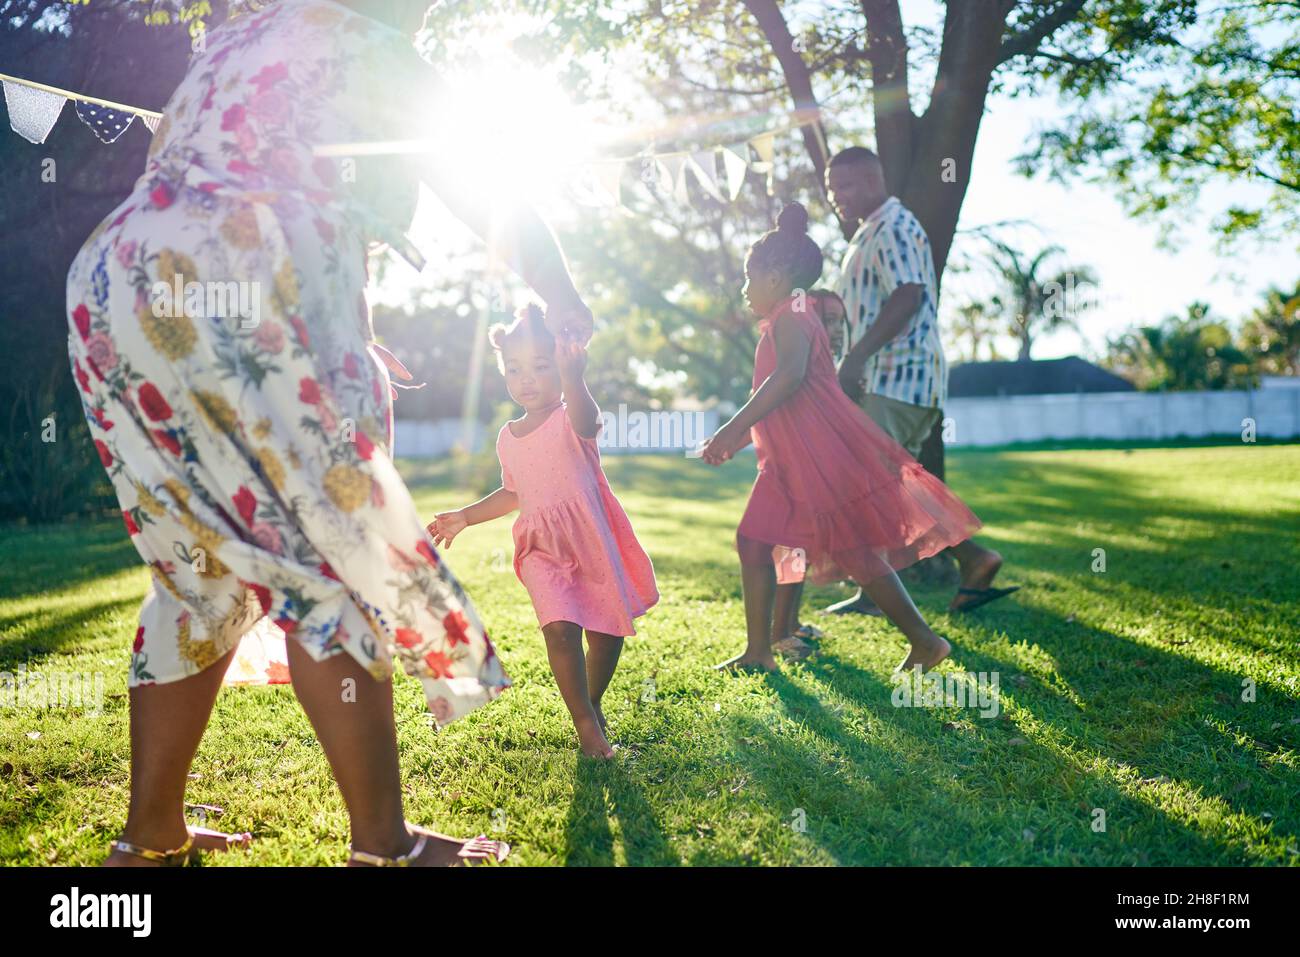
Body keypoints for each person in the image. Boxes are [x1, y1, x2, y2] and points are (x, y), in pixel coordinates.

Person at [67, 0, 594, 867]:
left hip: (119, 288)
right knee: (335, 557)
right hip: (252, 277)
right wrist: (561, 292)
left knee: (196, 566)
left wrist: (331, 316)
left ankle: (149, 836)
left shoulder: (239, 42)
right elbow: (483, 186)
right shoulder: (371, 46)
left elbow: (200, 180)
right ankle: (386, 847)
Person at [699, 202, 981, 673]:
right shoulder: (790, 317)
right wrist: (738, 438)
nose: (745, 290)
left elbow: (787, 380)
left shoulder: (792, 315)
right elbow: (780, 398)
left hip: (813, 460)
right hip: (788, 463)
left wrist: (729, 429)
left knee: (851, 552)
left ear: (773, 276)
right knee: (761, 544)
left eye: (749, 278)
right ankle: (761, 651)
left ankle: (923, 641)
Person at [428, 306, 658, 759]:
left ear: (563, 365)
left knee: (607, 634)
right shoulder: (508, 436)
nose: (526, 379)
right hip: (541, 548)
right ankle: (585, 725)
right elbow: (514, 491)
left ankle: (591, 701)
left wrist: (576, 377)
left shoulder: (572, 417)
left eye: (540, 366)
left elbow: (589, 422)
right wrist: (467, 516)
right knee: (559, 630)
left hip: (589, 537)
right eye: (514, 369)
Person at [824, 146, 1017, 615]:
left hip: (897, 377)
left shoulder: (894, 226)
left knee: (871, 483)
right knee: (885, 487)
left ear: (872, 180)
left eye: (845, 186)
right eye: (832, 190)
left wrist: (855, 358)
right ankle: (907, 579)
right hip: (891, 380)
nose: (836, 198)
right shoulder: (871, 231)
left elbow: (908, 295)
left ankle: (971, 558)